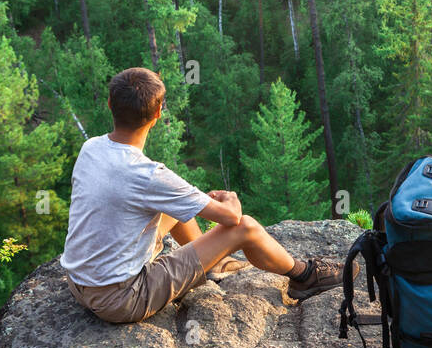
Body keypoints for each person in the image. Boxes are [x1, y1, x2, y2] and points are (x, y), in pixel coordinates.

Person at [60, 67, 349, 323]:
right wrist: (231, 198)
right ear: (158, 113)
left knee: (175, 205)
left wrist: (192, 199)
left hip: (79, 283)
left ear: (110, 104)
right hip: (122, 300)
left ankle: (213, 264)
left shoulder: (92, 148)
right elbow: (232, 217)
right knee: (245, 226)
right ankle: (304, 276)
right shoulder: (147, 174)